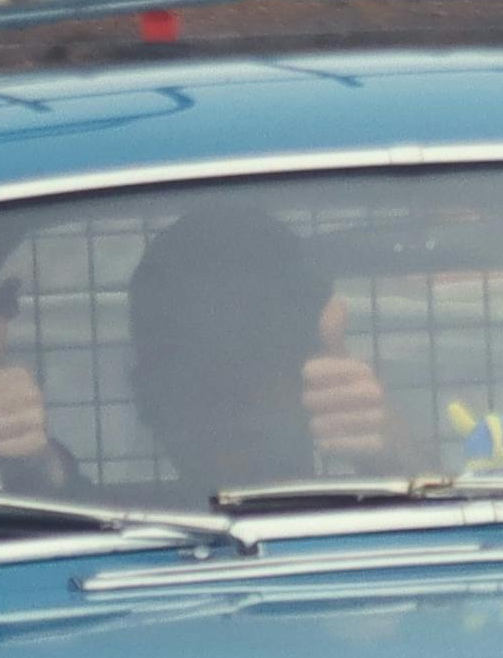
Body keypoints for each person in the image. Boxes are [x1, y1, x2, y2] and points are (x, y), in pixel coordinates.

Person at [121, 200, 401, 493]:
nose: (228, 396)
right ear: (150, 389)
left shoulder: (414, 508)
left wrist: (395, 462)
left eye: (256, 353)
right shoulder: (75, 520)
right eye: (197, 369)